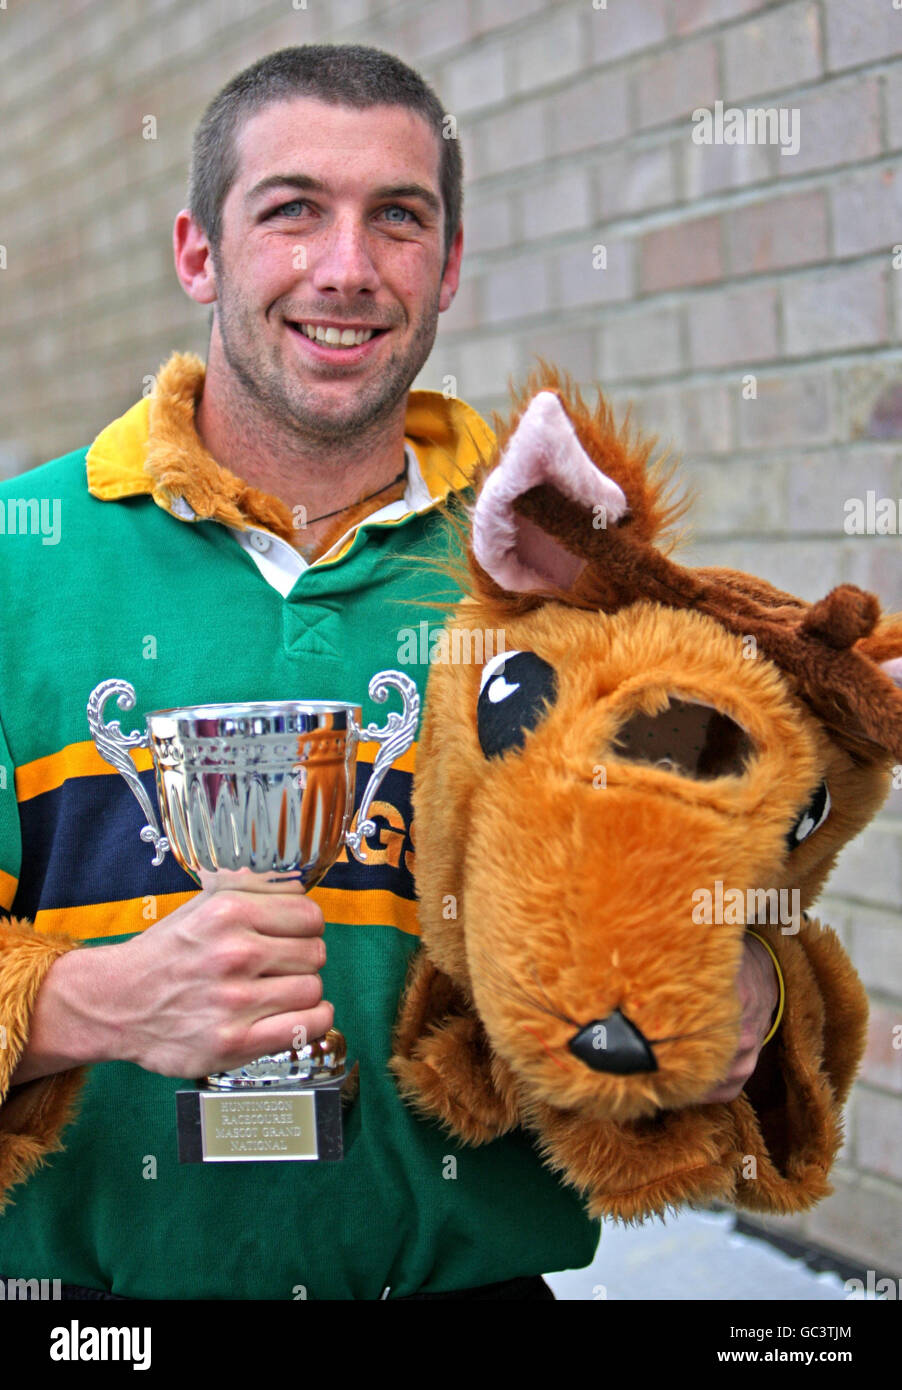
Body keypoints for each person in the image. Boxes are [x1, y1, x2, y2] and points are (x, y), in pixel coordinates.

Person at [0, 44, 780, 1301]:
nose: (347, 268)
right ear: (199, 253)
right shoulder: (15, 566)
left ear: (449, 267)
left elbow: (704, 887)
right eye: (292, 209)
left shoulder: (571, 572)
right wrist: (89, 1004)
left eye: (399, 219)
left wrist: (729, 974)